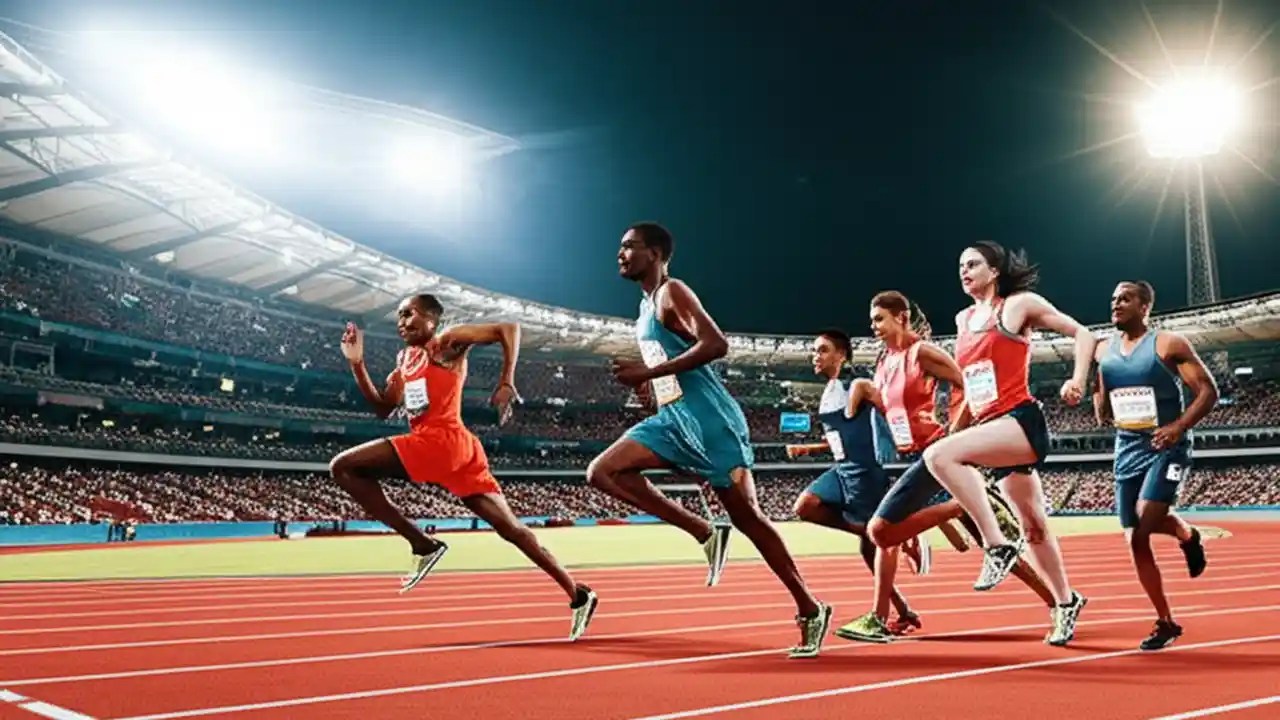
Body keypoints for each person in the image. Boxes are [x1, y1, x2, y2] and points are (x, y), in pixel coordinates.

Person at [587, 222, 831, 659]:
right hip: (672, 417)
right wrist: (649, 391)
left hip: (710, 421)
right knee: (602, 471)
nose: (619, 254)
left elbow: (716, 344)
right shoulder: (644, 310)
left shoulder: (672, 291)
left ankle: (810, 608)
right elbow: (674, 371)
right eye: (619, 247)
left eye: (629, 247)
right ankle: (702, 529)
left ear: (656, 253)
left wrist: (646, 373)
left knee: (749, 520)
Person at [332, 294, 598, 641]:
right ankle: (578, 593)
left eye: (409, 314)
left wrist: (506, 380)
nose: (402, 322)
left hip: (440, 441)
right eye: (398, 316)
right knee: (513, 531)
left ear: (431, 319)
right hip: (459, 451)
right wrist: (357, 364)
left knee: (343, 468)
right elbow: (384, 407)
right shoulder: (406, 359)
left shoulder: (446, 343)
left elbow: (508, 328)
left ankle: (423, 544)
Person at [835, 291, 1056, 643]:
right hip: (911, 457)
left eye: (879, 318)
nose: (872, 326)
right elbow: (888, 407)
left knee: (883, 532)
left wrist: (956, 432)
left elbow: (968, 385)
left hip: (936, 455)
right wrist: (864, 392)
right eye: (871, 319)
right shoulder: (884, 361)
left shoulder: (921, 353)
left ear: (901, 317)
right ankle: (1059, 602)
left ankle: (880, 615)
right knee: (988, 544)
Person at [920, 241, 1091, 646]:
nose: (964, 271)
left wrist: (1078, 380)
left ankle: (996, 545)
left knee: (938, 457)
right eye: (960, 265)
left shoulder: (1016, 306)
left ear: (994, 271)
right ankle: (1066, 602)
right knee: (1034, 528)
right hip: (990, 429)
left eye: (973, 264)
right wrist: (956, 426)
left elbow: (1083, 333)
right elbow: (973, 386)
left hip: (1019, 422)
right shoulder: (963, 320)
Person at [1095, 280, 1214, 650]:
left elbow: (1208, 391)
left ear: (1145, 306)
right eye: (1113, 298)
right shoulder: (1103, 351)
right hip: (1127, 448)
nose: (1116, 304)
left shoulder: (1168, 344)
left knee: (1144, 521)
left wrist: (1178, 427)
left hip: (1167, 447)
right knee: (1134, 537)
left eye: (1125, 299)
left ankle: (1183, 537)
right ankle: (1166, 619)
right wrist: (1094, 398)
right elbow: (1103, 404)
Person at [784, 329, 920, 630]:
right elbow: (840, 437)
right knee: (806, 507)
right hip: (841, 468)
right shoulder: (829, 391)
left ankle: (900, 609)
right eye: (814, 351)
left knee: (870, 549)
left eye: (822, 350)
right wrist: (811, 448)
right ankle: (896, 543)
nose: (815, 356)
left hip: (863, 471)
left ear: (841, 355)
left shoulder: (853, 383)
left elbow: (884, 401)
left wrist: (905, 435)